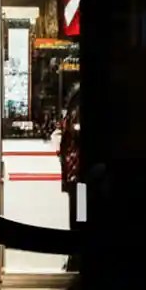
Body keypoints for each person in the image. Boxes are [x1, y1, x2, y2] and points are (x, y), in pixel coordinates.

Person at [58, 83, 81, 272]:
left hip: (77, 172)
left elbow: (69, 137)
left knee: (78, 214)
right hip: (80, 173)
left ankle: (77, 254)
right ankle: (77, 254)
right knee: (79, 213)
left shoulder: (75, 111)